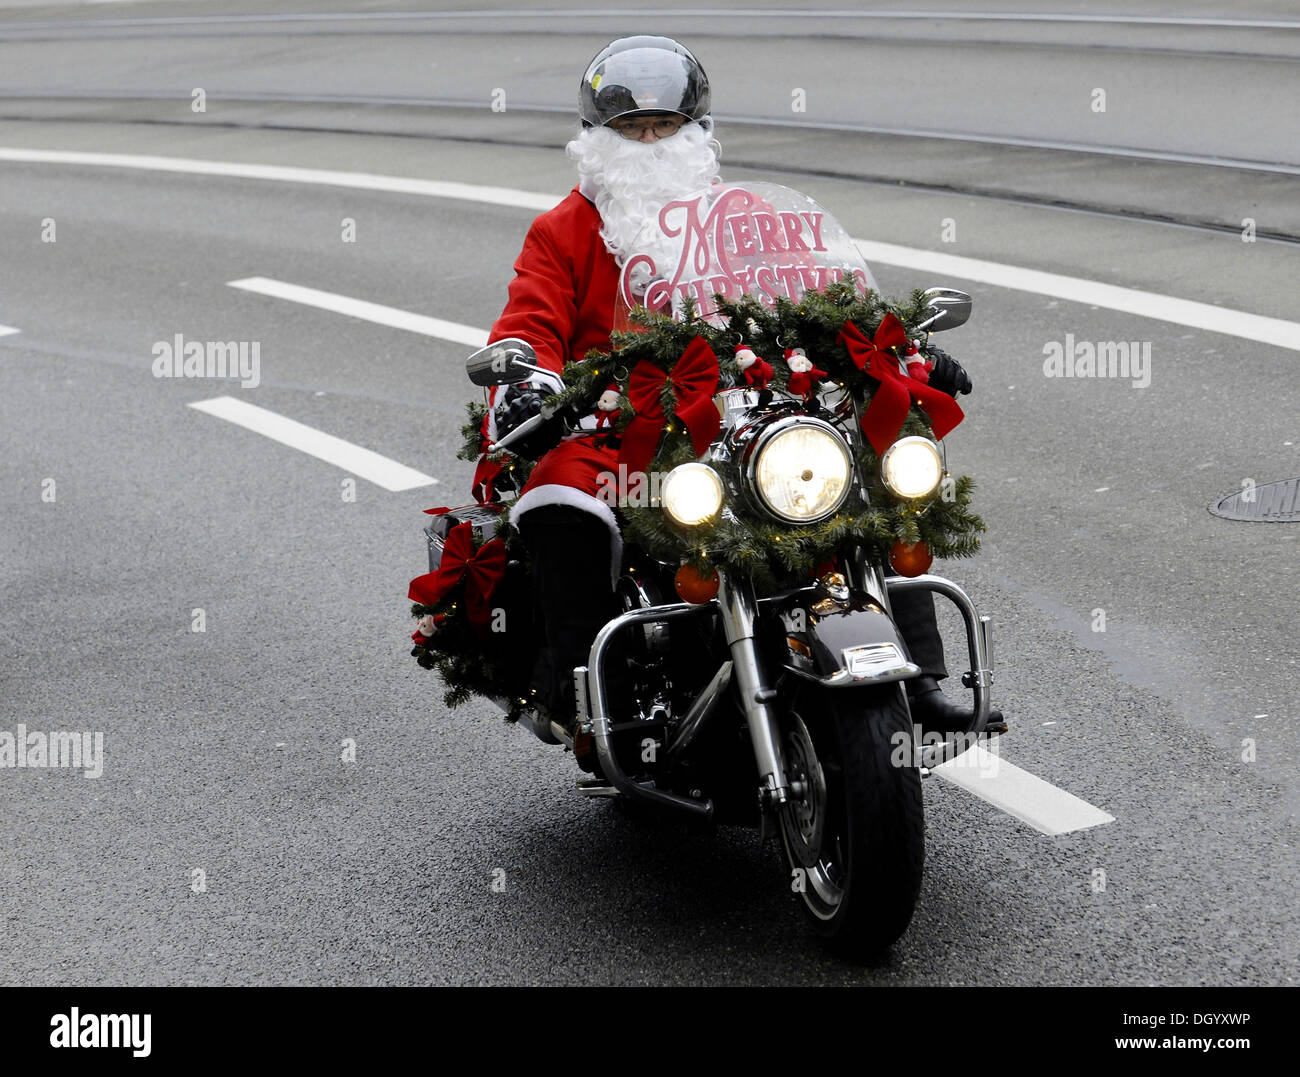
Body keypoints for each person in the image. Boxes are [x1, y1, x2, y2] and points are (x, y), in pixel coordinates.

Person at [478, 35, 1000, 738]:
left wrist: (902, 346)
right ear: (596, 138)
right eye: (632, 128)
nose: (652, 141)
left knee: (876, 458)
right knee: (562, 492)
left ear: (698, 132)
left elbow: (819, 294)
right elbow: (530, 320)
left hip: (739, 410)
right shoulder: (564, 232)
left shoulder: (741, 216)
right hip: (620, 428)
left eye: (667, 125)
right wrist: (527, 381)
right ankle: (587, 698)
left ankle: (923, 677)